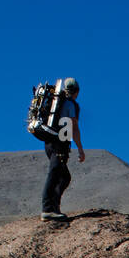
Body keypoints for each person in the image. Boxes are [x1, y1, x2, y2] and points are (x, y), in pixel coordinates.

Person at [41, 77, 85, 220]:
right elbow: (74, 127)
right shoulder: (70, 104)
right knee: (54, 174)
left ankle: (54, 207)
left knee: (64, 177)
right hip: (60, 143)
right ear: (76, 91)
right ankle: (47, 209)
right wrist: (80, 149)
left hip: (49, 142)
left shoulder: (56, 102)